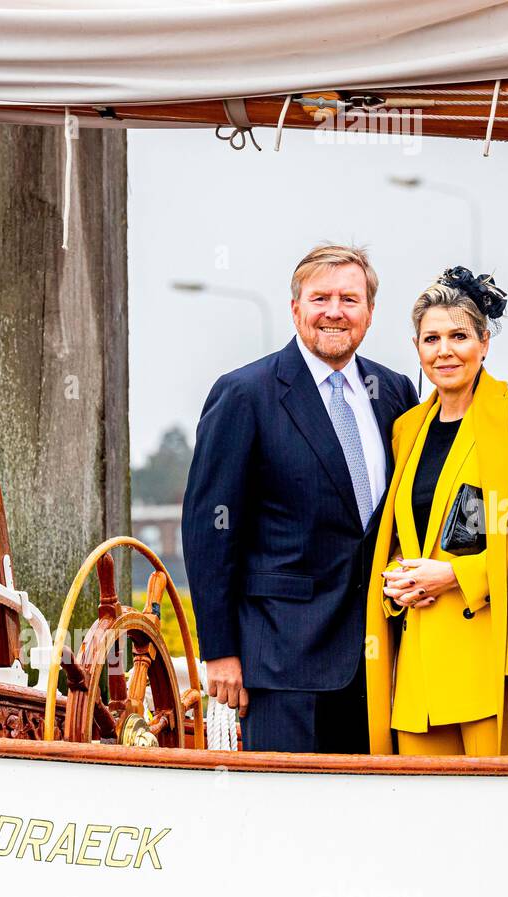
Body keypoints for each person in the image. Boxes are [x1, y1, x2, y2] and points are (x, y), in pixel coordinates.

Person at [181, 244, 418, 753]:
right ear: (296, 309)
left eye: (350, 299)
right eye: (321, 298)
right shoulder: (245, 393)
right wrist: (219, 651)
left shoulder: (394, 391)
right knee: (286, 819)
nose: (335, 311)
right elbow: (209, 531)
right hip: (281, 663)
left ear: (370, 314)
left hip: (381, 662)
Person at [365, 267, 508, 756]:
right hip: (418, 677)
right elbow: (404, 536)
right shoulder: (407, 430)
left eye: (459, 336)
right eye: (432, 338)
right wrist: (396, 581)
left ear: (484, 343)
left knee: (500, 821)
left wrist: (458, 575)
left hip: (488, 669)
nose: (444, 350)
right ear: (417, 348)